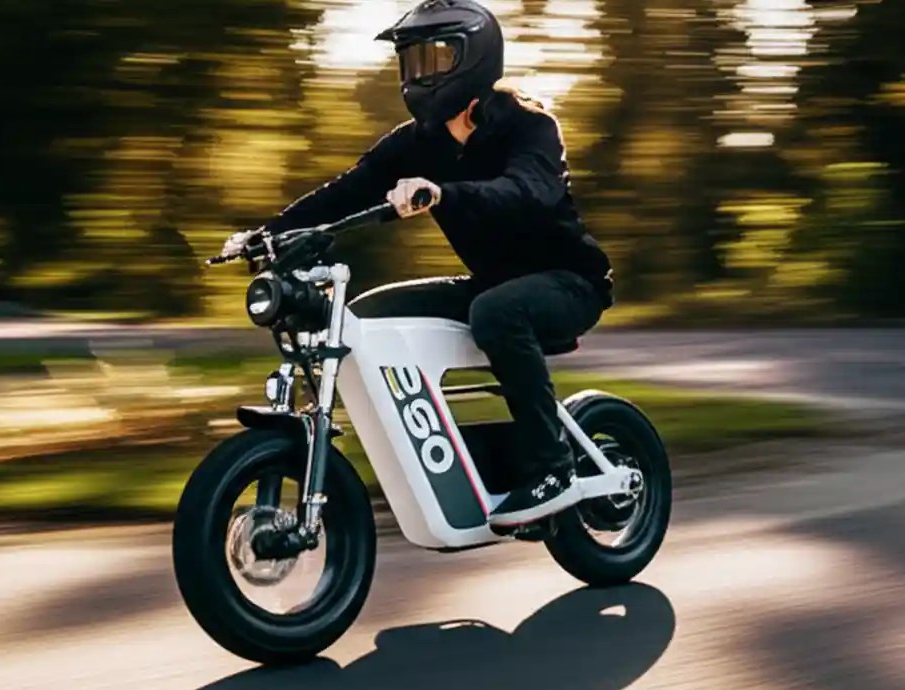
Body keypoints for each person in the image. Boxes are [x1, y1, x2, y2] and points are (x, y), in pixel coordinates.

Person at [222, 0, 613, 528]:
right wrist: (267, 235)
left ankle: (553, 469)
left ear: (473, 59)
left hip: (571, 285)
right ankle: (459, 458)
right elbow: (345, 191)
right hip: (490, 285)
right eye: (412, 62)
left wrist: (443, 193)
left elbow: (528, 191)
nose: (419, 75)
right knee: (363, 316)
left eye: (434, 59)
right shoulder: (415, 145)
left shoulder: (529, 126)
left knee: (498, 313)